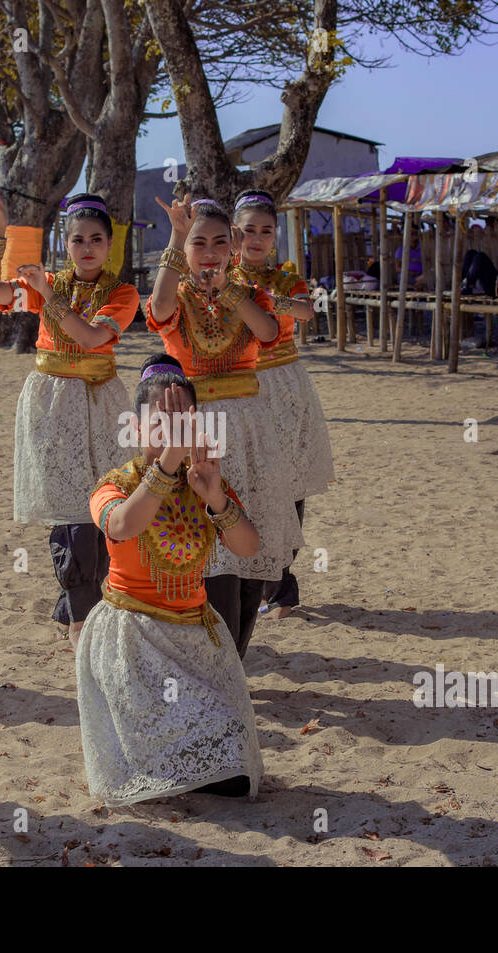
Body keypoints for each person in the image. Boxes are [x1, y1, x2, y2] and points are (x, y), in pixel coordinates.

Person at [76, 356, 265, 804]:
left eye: (183, 421)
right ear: (136, 427)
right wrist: (168, 464)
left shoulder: (203, 481)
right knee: (170, 768)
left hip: (196, 637)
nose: (172, 430)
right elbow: (122, 526)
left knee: (236, 776)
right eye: (161, 421)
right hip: (131, 640)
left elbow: (248, 548)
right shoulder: (116, 485)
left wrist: (215, 496)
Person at [0, 191, 139, 648]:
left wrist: (49, 295)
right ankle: (80, 608)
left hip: (102, 400)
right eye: (77, 240)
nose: (87, 248)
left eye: (96, 240)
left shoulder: (122, 293)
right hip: (51, 401)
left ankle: (84, 604)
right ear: (65, 244)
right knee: (67, 506)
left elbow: (89, 339)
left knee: (105, 497)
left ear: (109, 246)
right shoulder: (46, 280)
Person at [146, 195, 303, 657]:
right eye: (199, 243)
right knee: (210, 549)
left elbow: (270, 332)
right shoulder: (179, 297)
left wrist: (232, 288)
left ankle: (236, 654)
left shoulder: (250, 293)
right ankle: (215, 655)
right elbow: (156, 307)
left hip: (250, 427)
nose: (209, 251)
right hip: (198, 425)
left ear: (233, 246)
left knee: (251, 547)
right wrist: (176, 236)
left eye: (219, 241)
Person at [230, 188, 334, 618]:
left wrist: (271, 299)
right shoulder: (222, 278)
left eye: (265, 231)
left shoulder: (286, 279)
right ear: (234, 233)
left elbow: (309, 312)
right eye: (248, 230)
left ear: (275, 237)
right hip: (238, 385)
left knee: (287, 485)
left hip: (285, 388)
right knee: (245, 483)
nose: (256, 238)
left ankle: (283, 587)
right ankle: (247, 580)